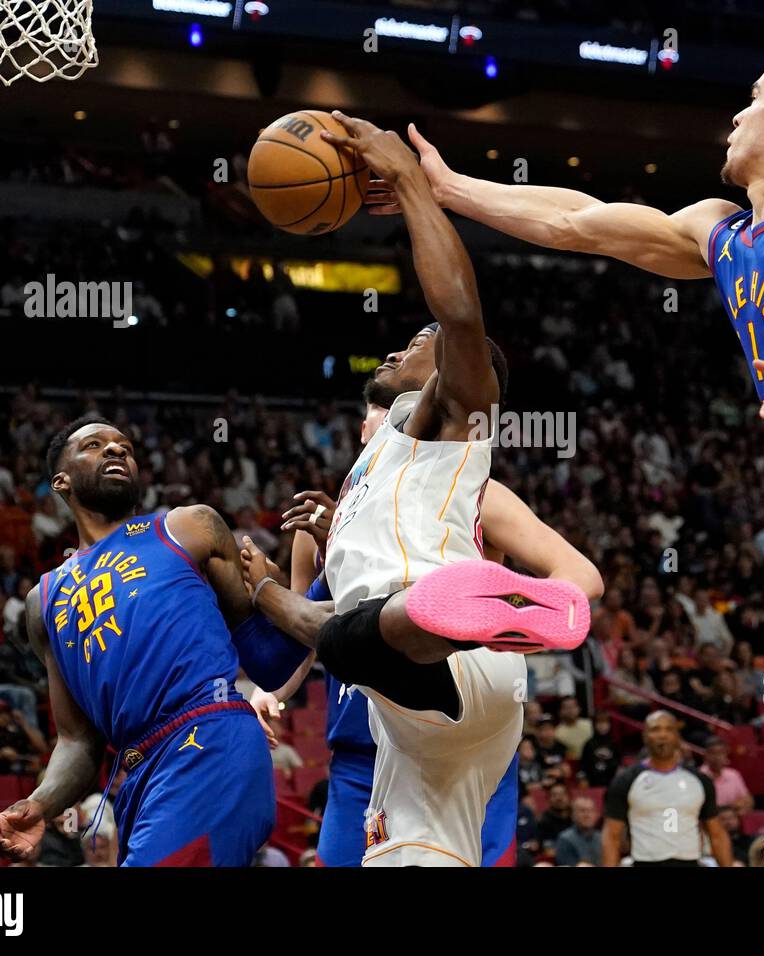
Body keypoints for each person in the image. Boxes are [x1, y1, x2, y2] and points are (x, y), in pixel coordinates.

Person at [390, 42, 764, 867]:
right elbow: (577, 220)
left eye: (751, 98)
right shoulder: (726, 233)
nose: (735, 116)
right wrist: (448, 189)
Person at [239, 112, 591, 867]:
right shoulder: (379, 470)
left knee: (347, 628)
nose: (407, 342)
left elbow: (460, 313)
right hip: (411, 707)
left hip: (445, 663)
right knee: (412, 853)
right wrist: (305, 562)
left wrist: (406, 179)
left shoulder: (451, 423)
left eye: (421, 344)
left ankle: (459, 613)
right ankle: (424, 617)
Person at [267, 325, 603, 867]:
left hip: (453, 698)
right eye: (377, 422)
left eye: (396, 415)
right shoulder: (349, 514)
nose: (388, 427)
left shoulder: (465, 482)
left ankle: (462, 619)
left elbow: (580, 576)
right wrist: (271, 693)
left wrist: (514, 617)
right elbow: (305, 632)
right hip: (362, 735)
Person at [0, 415, 322, 867]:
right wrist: (42, 802)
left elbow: (270, 661)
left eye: (124, 445)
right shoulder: (41, 601)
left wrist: (279, 592)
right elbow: (78, 744)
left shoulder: (189, 527)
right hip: (140, 776)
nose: (115, 449)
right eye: (94, 445)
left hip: (212, 739)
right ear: (60, 482)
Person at [602, 711, 733, 867]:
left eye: (668, 729)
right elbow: (612, 836)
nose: (662, 735)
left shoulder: (699, 780)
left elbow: (717, 835)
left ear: (677, 736)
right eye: (655, 729)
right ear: (645, 736)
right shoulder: (626, 780)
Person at [700, 736, 753, 811]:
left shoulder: (733, 774)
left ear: (726, 755)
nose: (717, 757)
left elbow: (748, 800)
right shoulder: (699, 776)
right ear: (705, 755)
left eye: (721, 753)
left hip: (734, 817)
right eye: (713, 753)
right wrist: (731, 806)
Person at [554, 795, 602, 866]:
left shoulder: (601, 837)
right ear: (573, 815)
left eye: (591, 810)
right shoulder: (565, 839)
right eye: (582, 811)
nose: (587, 815)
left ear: (597, 815)